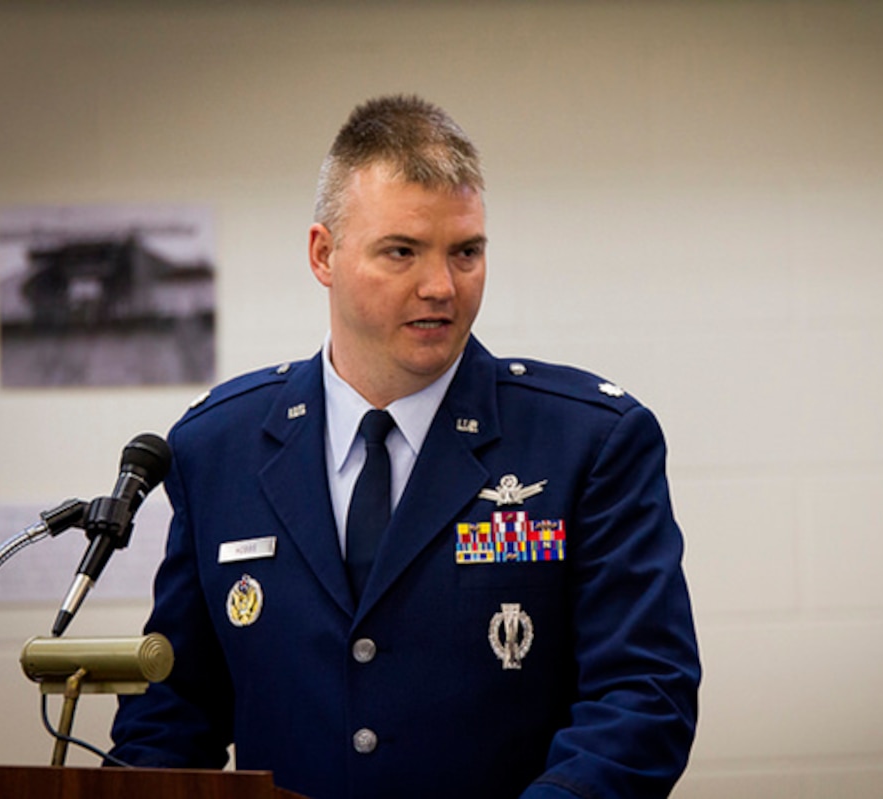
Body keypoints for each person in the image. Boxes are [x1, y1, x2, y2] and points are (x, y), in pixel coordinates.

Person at [110, 94, 700, 799]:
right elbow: (173, 713)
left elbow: (641, 697)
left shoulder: (588, 442)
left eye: (466, 252)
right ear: (323, 254)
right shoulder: (218, 448)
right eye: (402, 251)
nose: (441, 286)